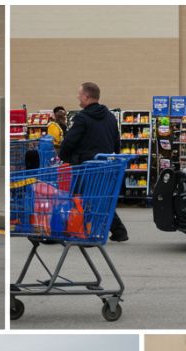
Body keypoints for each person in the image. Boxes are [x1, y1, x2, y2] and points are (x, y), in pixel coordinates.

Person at [58, 81, 128, 242]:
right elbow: (117, 142)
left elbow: (69, 142)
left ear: (86, 96)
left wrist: (66, 157)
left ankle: (80, 230)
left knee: (81, 198)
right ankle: (119, 231)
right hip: (106, 165)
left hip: (85, 165)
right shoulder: (110, 117)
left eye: (79, 94)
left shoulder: (82, 118)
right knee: (99, 197)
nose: (78, 97)